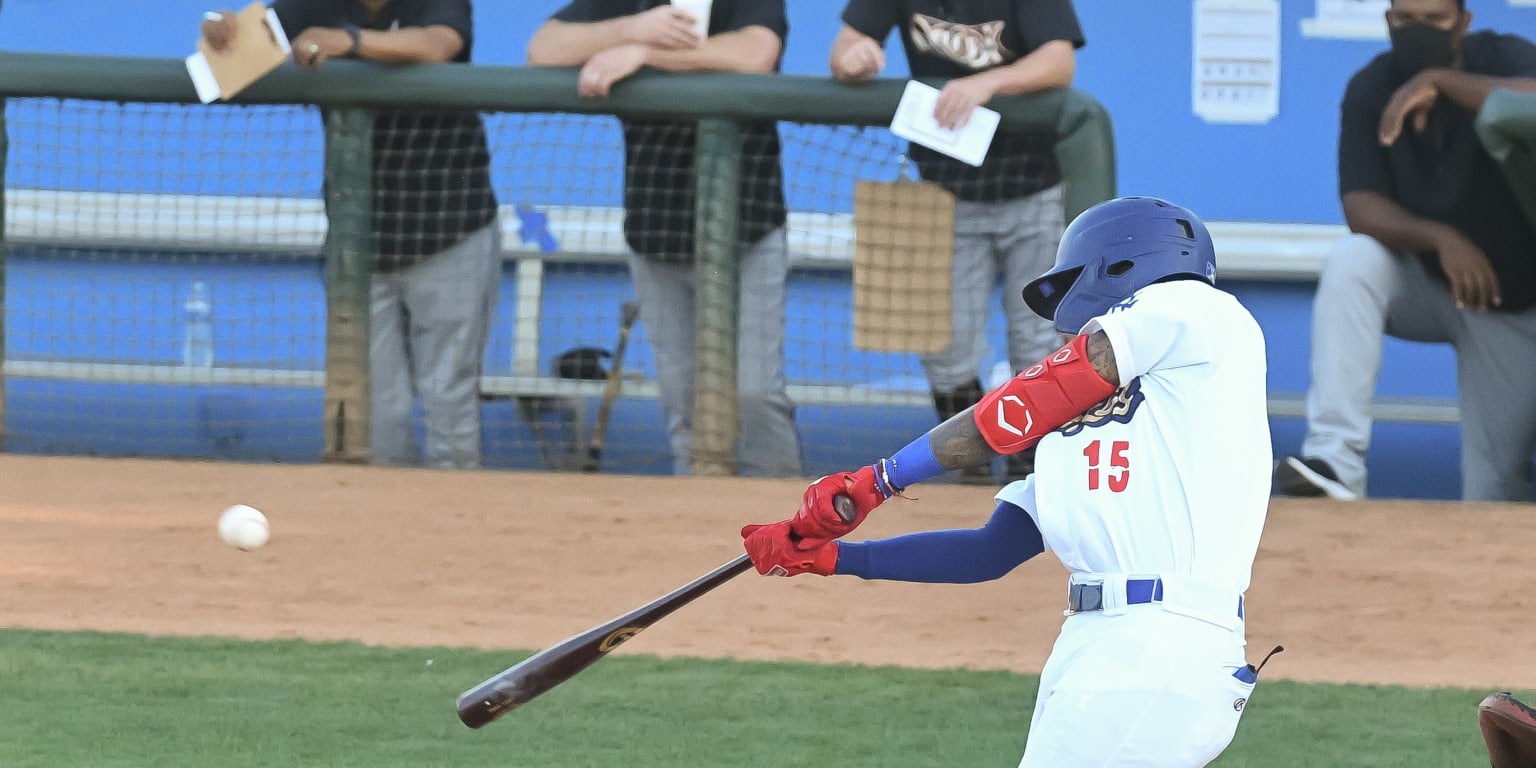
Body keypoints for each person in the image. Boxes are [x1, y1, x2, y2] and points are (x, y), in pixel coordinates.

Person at [742, 196, 1277, 766]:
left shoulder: (1199, 310)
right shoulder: (1085, 432)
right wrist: (835, 557)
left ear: (1122, 262)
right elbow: (989, 551)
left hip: (1161, 642)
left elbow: (1034, 395)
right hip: (1100, 645)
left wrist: (879, 480)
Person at [202, 0, 502, 469]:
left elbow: (439, 43)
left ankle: (451, 528)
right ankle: (382, 530)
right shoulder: (315, 5)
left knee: (449, 399)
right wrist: (221, 35)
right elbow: (219, 67)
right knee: (374, 412)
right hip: (359, 240)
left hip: (452, 227)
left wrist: (351, 41)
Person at [526, 0, 803, 478]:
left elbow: (755, 53)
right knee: (683, 397)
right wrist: (633, 28)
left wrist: (643, 54)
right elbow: (544, 48)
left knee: (755, 393)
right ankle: (699, 518)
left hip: (745, 232)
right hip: (657, 233)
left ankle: (790, 537)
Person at [1274, 0, 1536, 502]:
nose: (1418, 32)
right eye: (1404, 19)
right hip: (1428, 284)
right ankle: (1335, 461)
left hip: (1513, 303)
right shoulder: (1373, 84)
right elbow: (1361, 205)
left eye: (1434, 20)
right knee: (1353, 260)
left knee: (1495, 493)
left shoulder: (1503, 54)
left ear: (1464, 22)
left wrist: (1440, 81)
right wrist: (1441, 238)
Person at [829, 0, 1084, 483]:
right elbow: (845, 46)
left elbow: (1059, 60)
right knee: (944, 349)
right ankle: (975, 463)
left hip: (1033, 190)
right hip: (945, 190)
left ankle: (1033, 471)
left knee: (1037, 342)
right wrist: (852, 57)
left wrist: (987, 81)